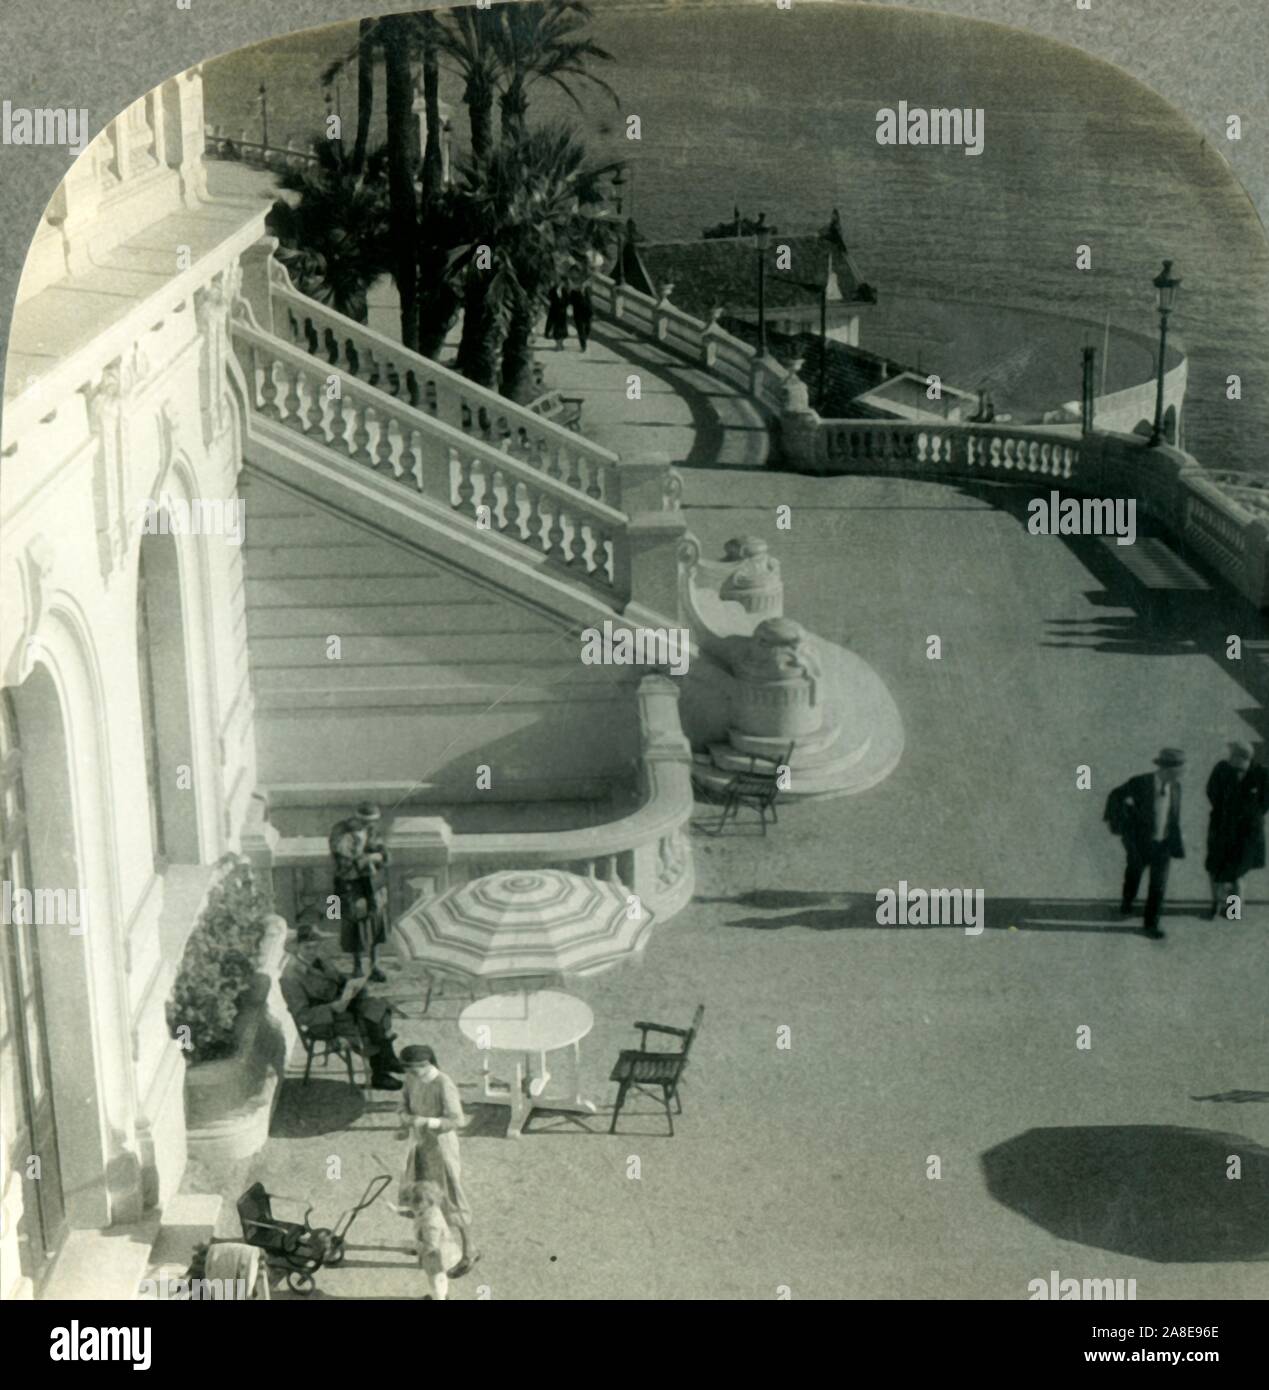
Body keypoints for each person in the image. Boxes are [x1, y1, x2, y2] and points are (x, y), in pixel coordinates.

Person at [280, 935, 403, 1090]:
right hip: (324, 1020)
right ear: (296, 948)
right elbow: (303, 1015)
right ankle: (381, 1071)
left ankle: (386, 1058)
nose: (313, 951)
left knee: (376, 1006)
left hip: (343, 1005)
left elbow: (338, 979)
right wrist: (332, 1007)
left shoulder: (321, 960)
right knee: (366, 1022)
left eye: (315, 946)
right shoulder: (290, 977)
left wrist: (353, 985)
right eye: (307, 947)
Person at [397, 1045, 479, 1277]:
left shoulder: (443, 1083)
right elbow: (403, 1103)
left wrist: (427, 1122)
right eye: (408, 1070)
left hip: (441, 1149)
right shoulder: (411, 1079)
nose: (410, 1074)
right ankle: (429, 1240)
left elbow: (457, 1119)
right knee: (420, 1194)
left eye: (413, 1069)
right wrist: (405, 1119)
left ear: (425, 1064)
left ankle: (470, 1250)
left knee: (451, 1197)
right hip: (419, 1145)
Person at [1105, 748, 1185, 939]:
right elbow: (1115, 797)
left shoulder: (1176, 787)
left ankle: (1151, 924)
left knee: (1159, 885)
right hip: (1140, 843)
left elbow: (1172, 817)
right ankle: (1127, 901)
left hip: (1163, 844)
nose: (1183, 772)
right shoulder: (1140, 782)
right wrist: (1121, 827)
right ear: (1168, 768)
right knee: (1134, 873)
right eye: (1181, 769)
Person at [1204, 742, 1268, 918]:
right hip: (1221, 827)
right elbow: (1211, 791)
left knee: (1237, 873)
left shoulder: (1262, 773)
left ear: (1243, 758)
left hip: (1247, 833)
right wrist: (1224, 811)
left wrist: (1249, 815)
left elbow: (1265, 802)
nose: (1229, 758)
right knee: (1214, 868)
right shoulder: (1221, 769)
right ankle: (1216, 905)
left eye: (1233, 755)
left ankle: (1233, 910)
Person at [329, 801, 390, 982]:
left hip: (373, 883)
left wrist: (376, 856)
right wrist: (368, 858)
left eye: (372, 821)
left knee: (376, 922)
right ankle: (357, 966)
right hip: (351, 884)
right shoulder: (341, 831)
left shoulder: (372, 830)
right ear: (357, 817)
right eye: (365, 821)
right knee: (354, 923)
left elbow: (384, 853)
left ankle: (374, 965)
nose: (369, 825)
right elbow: (345, 858)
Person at [390, 1180, 461, 1301]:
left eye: (414, 1202)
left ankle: (439, 1297)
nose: (411, 1204)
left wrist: (417, 1249)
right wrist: (396, 1210)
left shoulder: (431, 1223)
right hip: (440, 1253)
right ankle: (441, 1295)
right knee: (440, 1278)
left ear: (425, 1203)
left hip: (436, 1257)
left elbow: (431, 1246)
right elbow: (412, 1213)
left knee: (435, 1279)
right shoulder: (429, 1209)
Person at [568, 283, 594, 353]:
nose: (581, 286)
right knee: (580, 330)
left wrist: (591, 312)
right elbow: (570, 302)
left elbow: (590, 302)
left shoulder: (587, 290)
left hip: (587, 313)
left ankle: (583, 339)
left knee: (588, 328)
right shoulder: (573, 292)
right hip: (578, 313)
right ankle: (583, 346)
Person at [545, 286, 570, 351]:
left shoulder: (564, 290)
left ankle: (561, 344)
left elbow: (568, 300)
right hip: (554, 312)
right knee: (556, 330)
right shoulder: (552, 290)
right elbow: (549, 298)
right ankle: (558, 345)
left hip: (562, 313)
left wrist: (564, 306)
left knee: (563, 330)